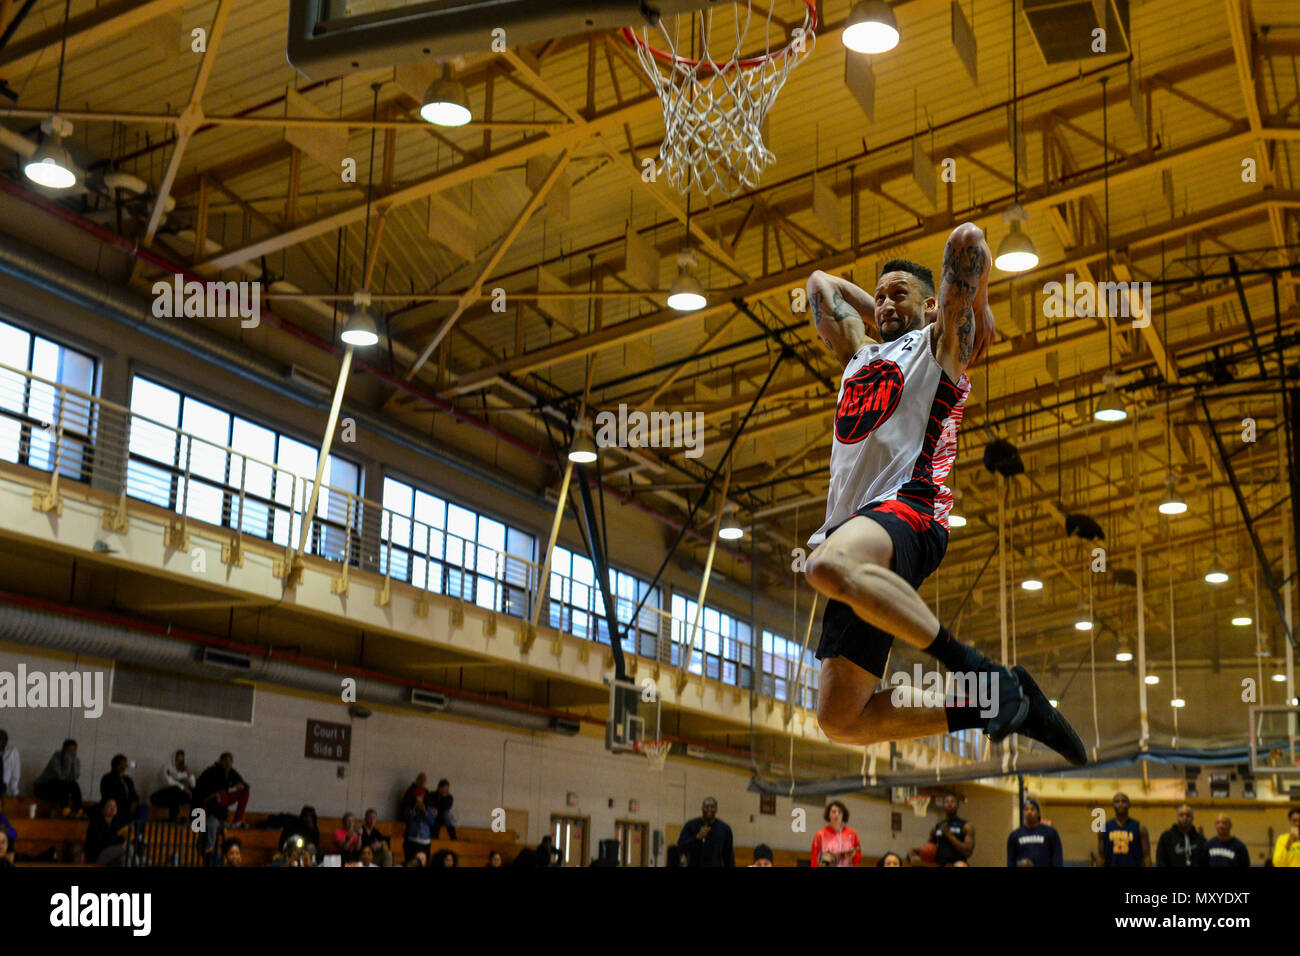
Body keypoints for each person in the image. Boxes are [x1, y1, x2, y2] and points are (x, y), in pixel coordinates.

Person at [800, 244, 1085, 766]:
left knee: (825, 565)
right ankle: (995, 703)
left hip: (909, 507)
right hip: (854, 529)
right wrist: (887, 306)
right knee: (842, 718)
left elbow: (969, 241)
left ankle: (974, 668)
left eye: (898, 294)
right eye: (879, 295)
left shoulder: (938, 348)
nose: (884, 303)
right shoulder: (860, 356)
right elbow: (820, 283)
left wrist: (974, 302)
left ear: (932, 306)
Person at [193, 752, 249, 828]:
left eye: (230, 761)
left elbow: (245, 785)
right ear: (221, 761)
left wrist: (241, 785)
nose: (227, 763)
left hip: (223, 797)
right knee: (221, 793)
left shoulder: (231, 772)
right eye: (225, 761)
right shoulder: (212, 771)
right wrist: (233, 787)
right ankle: (221, 820)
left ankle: (237, 822)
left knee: (245, 793)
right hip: (210, 797)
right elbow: (214, 788)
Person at [676, 797, 734, 867]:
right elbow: (681, 846)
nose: (709, 809)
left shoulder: (725, 829)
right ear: (702, 808)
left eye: (712, 807)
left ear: (716, 809)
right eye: (706, 806)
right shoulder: (691, 825)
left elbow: (728, 855)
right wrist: (697, 838)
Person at [1006, 798, 1063, 867]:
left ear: (1038, 813)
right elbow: (1011, 861)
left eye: (1032, 809)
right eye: (1026, 809)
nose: (1029, 812)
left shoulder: (1050, 833)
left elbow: (1057, 858)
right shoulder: (1014, 835)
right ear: (1023, 813)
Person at [1098, 792, 1149, 867]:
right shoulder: (1104, 829)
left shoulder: (1140, 828)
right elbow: (1101, 857)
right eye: (1117, 801)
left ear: (1129, 805)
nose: (1120, 804)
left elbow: (1146, 856)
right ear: (1113, 805)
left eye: (1123, 801)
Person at [32, 739, 81, 814]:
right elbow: (61, 777)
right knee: (62, 784)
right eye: (69, 750)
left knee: (75, 785)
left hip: (59, 789)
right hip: (43, 787)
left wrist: (73, 763)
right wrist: (67, 760)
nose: (71, 753)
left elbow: (74, 778)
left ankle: (79, 810)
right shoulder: (56, 758)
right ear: (64, 750)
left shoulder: (75, 760)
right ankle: (65, 809)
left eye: (74, 750)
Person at [810, 800, 861, 867]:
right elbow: (814, 859)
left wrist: (853, 854)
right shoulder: (820, 835)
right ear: (829, 815)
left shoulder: (852, 834)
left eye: (839, 812)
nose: (836, 814)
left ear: (843, 815)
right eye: (833, 812)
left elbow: (858, 857)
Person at [929, 793, 974, 866]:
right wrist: (917, 851)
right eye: (946, 802)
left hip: (958, 863)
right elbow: (930, 847)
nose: (949, 804)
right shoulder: (937, 826)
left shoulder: (966, 826)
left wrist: (948, 835)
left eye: (952, 801)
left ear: (958, 805)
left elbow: (968, 852)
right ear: (943, 805)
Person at [99, 754, 143, 829]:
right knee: (116, 809)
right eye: (120, 764)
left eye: (124, 764)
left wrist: (134, 802)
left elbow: (134, 794)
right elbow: (108, 794)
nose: (123, 767)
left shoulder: (128, 780)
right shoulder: (108, 778)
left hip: (128, 806)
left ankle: (138, 834)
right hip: (116, 805)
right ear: (114, 765)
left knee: (143, 808)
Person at [150, 750, 196, 821]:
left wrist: (188, 772)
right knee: (175, 789)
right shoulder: (166, 767)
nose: (179, 762)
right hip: (158, 797)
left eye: (181, 760)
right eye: (178, 760)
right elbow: (168, 782)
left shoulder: (182, 770)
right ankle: (174, 816)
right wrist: (183, 787)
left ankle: (193, 819)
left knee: (194, 791)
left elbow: (193, 784)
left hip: (174, 799)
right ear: (174, 759)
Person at [84, 798, 130, 866]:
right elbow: (102, 843)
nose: (113, 808)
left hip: (112, 854)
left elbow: (119, 841)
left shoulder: (116, 823)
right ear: (103, 809)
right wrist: (118, 833)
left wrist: (125, 837)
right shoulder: (96, 822)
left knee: (126, 859)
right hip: (98, 854)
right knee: (128, 849)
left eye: (115, 806)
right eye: (110, 806)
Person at [404, 791, 436, 863]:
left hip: (425, 840)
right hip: (412, 839)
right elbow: (408, 820)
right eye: (417, 796)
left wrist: (425, 812)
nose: (419, 799)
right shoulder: (409, 808)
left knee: (425, 862)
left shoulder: (428, 809)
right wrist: (414, 809)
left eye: (421, 797)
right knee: (411, 861)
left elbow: (432, 822)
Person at [0, 730, 19, 798]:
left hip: (5, 789)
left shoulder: (12, 752)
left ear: (5, 742)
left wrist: (15, 792)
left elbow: (15, 774)